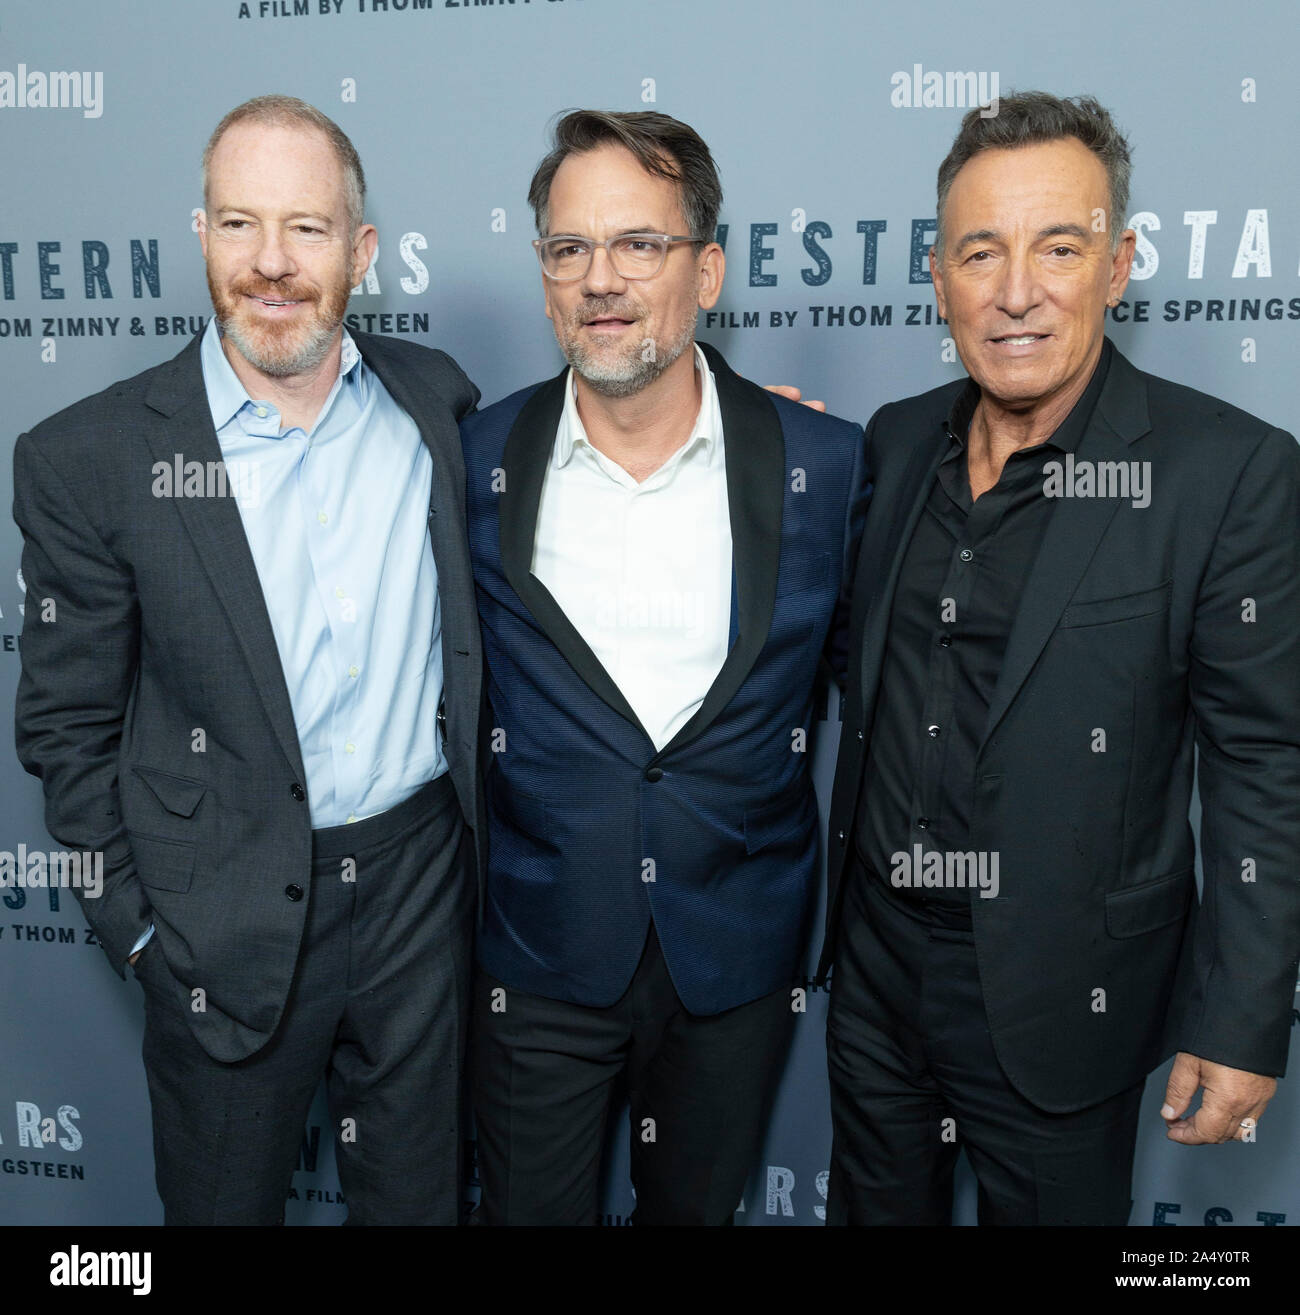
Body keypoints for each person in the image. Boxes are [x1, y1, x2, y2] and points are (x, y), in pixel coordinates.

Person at [821, 91, 1300, 1225]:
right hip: (875, 974)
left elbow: (1266, 774)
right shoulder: (895, 441)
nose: (1017, 291)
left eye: (1059, 248)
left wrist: (1240, 1024)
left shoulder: (1223, 475)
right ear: (938, 273)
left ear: (1121, 262)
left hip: (1061, 992)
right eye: (981, 252)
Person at [13, 95, 483, 1225]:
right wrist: (136, 931)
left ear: (360, 251)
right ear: (202, 234)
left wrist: (739, 432)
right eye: (238, 225)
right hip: (216, 918)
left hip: (420, 893)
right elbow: (64, 737)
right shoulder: (90, 458)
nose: (270, 264)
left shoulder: (436, 404)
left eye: (307, 229)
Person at [461, 109, 868, 1225]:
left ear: (709, 270)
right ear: (543, 272)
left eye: (639, 243)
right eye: (568, 248)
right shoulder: (473, 460)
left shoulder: (822, 467)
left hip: (733, 955)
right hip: (538, 952)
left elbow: (880, 697)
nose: (602, 279)